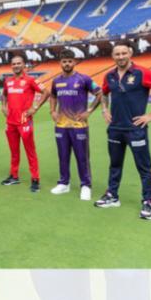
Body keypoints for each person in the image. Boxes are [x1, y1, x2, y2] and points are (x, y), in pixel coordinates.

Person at [95, 40, 151, 220]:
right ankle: (112, 195)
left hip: (135, 130)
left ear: (130, 53)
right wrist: (104, 110)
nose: (120, 57)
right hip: (115, 129)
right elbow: (103, 93)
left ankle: (148, 201)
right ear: (112, 56)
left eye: (124, 53)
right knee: (115, 165)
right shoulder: (109, 76)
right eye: (117, 54)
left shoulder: (142, 73)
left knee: (144, 167)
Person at [48, 49, 102, 201]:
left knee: (82, 157)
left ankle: (86, 185)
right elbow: (52, 96)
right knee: (63, 156)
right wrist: (52, 111)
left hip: (79, 125)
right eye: (64, 61)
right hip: (61, 125)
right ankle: (64, 183)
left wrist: (89, 110)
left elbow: (99, 93)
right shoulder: (56, 81)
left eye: (69, 61)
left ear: (75, 62)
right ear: (60, 63)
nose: (67, 64)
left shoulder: (84, 79)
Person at [0, 51, 47, 192]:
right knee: (14, 151)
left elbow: (46, 92)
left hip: (24, 121)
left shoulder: (31, 80)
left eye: (18, 63)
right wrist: (3, 106)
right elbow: (4, 95)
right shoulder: (8, 81)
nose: (16, 66)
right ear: (11, 66)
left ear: (24, 65)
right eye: (14, 64)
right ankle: (14, 176)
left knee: (30, 151)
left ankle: (35, 179)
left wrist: (35, 107)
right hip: (11, 122)